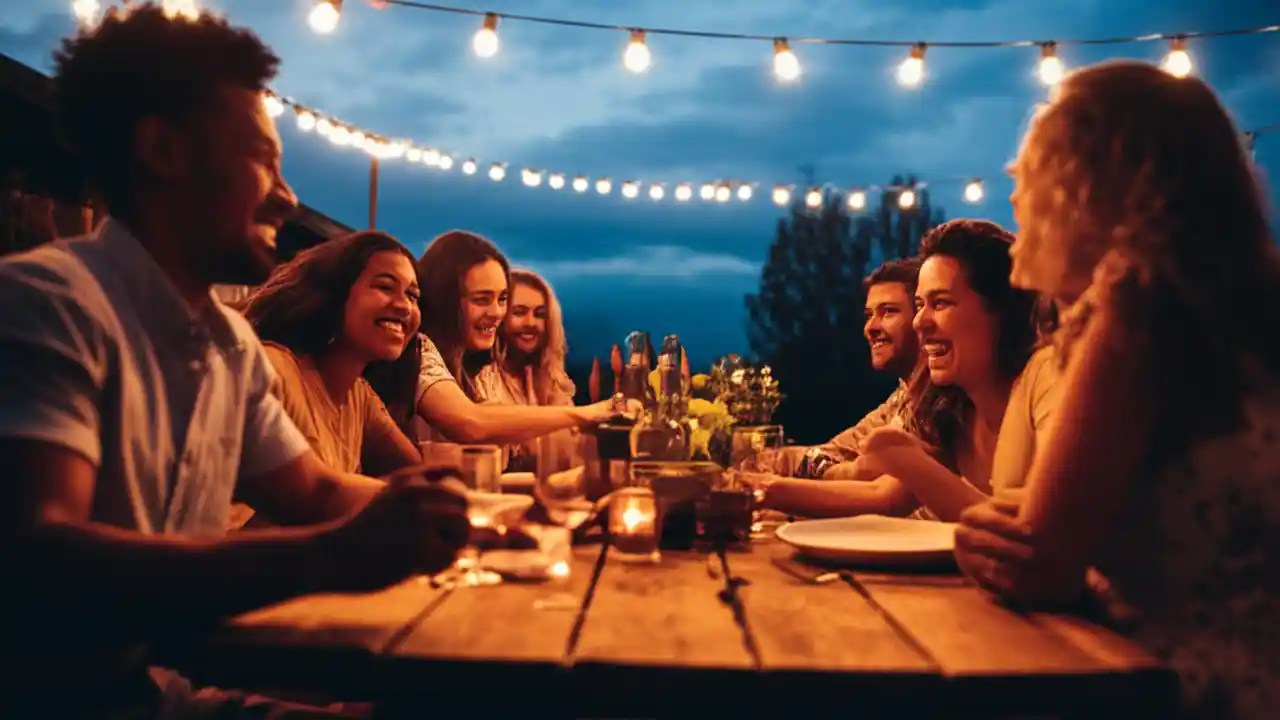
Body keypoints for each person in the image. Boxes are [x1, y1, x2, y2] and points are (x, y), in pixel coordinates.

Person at [0, 7, 467, 717]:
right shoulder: (47, 305)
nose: (285, 194)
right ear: (162, 151)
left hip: (170, 694)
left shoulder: (227, 345)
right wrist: (333, 556)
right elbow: (40, 558)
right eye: (263, 160)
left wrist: (481, 515)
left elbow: (311, 493)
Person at [953, 61, 1280, 718]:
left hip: (1186, 693)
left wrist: (996, 533)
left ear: (1090, 188)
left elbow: (1038, 565)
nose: (1014, 193)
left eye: (1034, 169)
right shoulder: (1217, 305)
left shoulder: (1137, 301)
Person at [762, 220, 1050, 520]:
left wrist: (909, 462)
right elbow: (885, 495)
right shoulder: (948, 405)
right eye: (919, 304)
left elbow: (1040, 533)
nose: (920, 322)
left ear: (1003, 310)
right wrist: (763, 490)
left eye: (940, 303)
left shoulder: (1045, 378)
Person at [368, 230, 625, 450]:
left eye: (502, 299)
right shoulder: (418, 349)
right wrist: (588, 413)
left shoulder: (471, 368)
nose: (496, 313)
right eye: (481, 299)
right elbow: (471, 424)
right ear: (444, 300)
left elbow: (489, 474)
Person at [244, 231, 423, 476]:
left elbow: (420, 474)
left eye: (412, 295)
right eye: (385, 286)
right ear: (335, 295)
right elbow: (318, 495)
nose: (404, 306)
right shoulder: (276, 371)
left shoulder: (359, 396)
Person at [780, 257, 923, 480]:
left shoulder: (941, 401)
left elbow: (881, 495)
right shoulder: (901, 397)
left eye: (888, 312)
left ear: (921, 318)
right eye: (869, 315)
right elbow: (834, 449)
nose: (871, 328)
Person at [472, 268, 577, 471]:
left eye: (539, 314)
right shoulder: (480, 379)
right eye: (519, 312)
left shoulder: (551, 380)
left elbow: (571, 456)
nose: (530, 323)